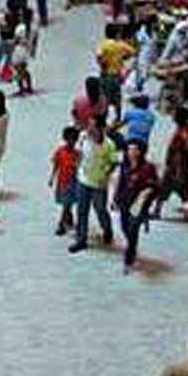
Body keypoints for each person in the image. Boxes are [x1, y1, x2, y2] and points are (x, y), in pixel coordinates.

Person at [70, 116, 120, 253]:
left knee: (100, 210)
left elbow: (114, 162)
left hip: (99, 184)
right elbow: (79, 152)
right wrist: (77, 166)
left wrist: (106, 177)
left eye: (93, 126)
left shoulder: (109, 145)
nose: (89, 129)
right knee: (82, 210)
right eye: (89, 126)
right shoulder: (83, 137)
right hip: (83, 180)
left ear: (101, 128)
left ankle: (107, 229)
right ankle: (81, 239)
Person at [153, 108, 188, 223]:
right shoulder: (186, 129)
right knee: (183, 191)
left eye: (174, 114)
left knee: (167, 189)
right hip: (180, 167)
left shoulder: (181, 133)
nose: (172, 115)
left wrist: (176, 170)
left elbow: (180, 151)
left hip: (175, 168)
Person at [116, 139, 160, 271]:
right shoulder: (125, 165)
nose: (132, 152)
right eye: (129, 149)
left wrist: (147, 193)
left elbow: (155, 186)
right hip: (125, 202)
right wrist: (116, 198)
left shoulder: (148, 168)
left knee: (133, 228)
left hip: (139, 206)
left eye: (135, 150)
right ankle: (131, 246)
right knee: (124, 227)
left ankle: (129, 257)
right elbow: (121, 182)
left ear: (141, 152)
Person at [96, 25, 136, 114]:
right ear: (117, 34)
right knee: (117, 96)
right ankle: (118, 116)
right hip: (116, 75)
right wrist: (123, 57)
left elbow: (99, 56)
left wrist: (103, 64)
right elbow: (133, 52)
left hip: (105, 74)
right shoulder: (120, 45)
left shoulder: (103, 44)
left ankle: (104, 114)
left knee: (104, 96)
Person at [50, 126, 81, 235]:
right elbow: (56, 165)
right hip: (62, 181)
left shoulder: (77, 154)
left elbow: (80, 168)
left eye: (73, 140)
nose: (71, 142)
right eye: (69, 139)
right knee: (66, 203)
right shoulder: (60, 151)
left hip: (73, 182)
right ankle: (68, 218)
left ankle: (61, 224)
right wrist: (52, 178)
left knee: (67, 203)